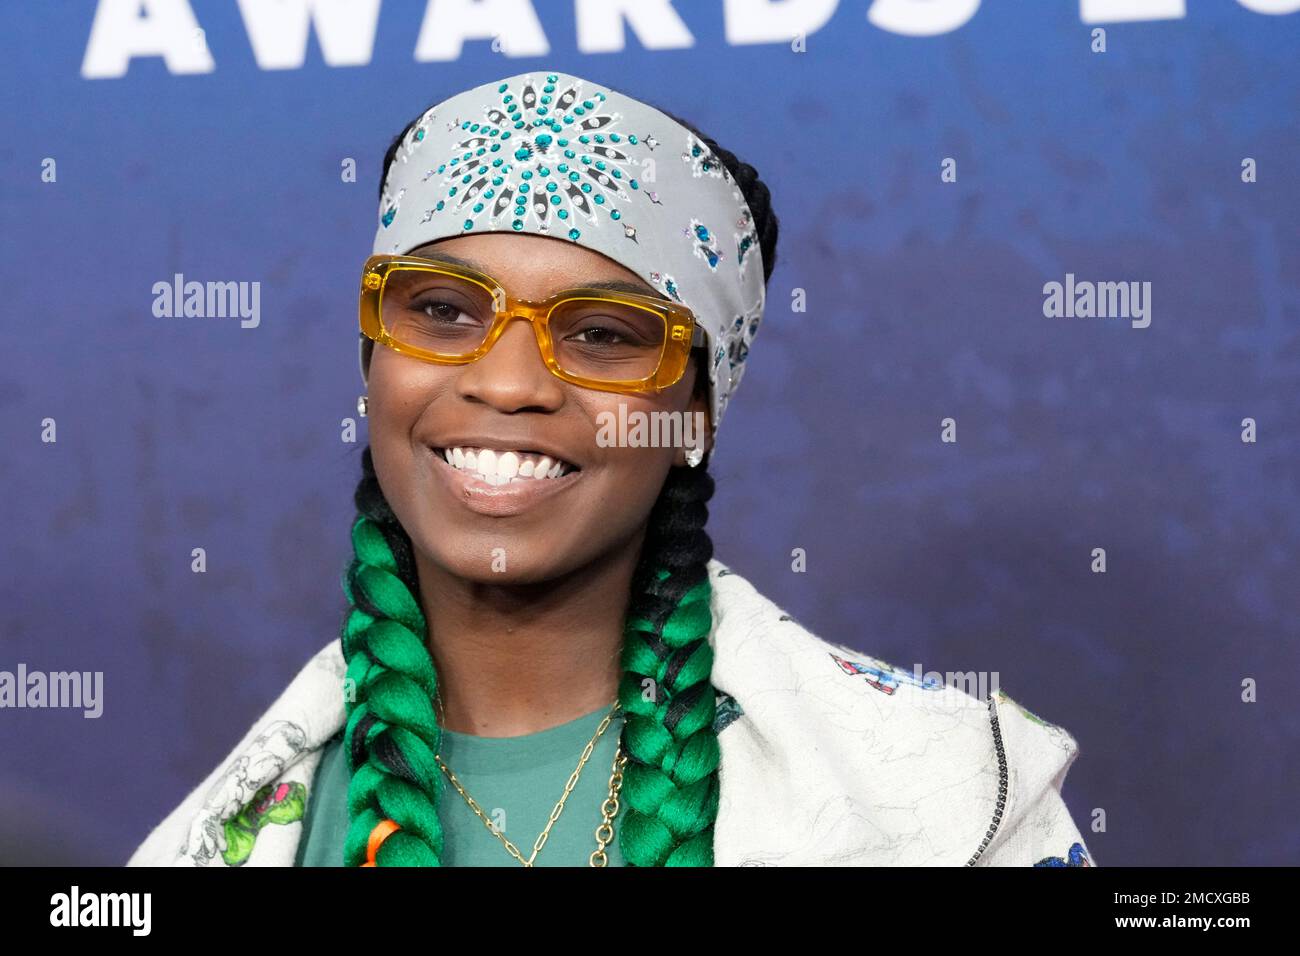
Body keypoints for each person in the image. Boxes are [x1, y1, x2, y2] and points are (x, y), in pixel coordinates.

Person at [127, 70, 1096, 868]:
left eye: (600, 335)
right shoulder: (216, 840)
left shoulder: (947, 799)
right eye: (442, 311)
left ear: (696, 414)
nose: (506, 385)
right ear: (370, 359)